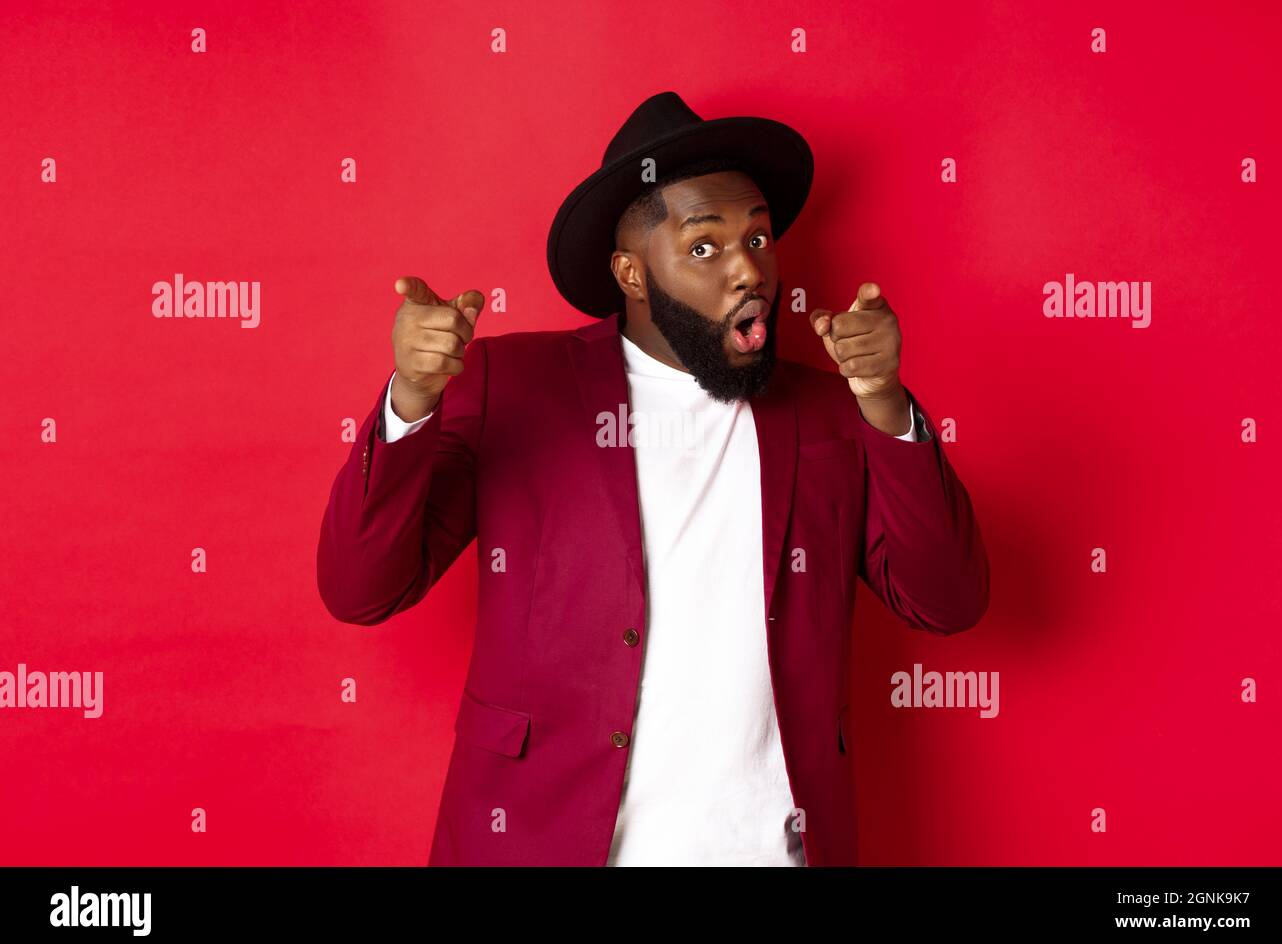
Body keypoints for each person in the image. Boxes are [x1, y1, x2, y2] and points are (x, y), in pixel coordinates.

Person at [316, 91, 990, 866]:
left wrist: (884, 404)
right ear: (633, 273)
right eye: (704, 246)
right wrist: (413, 400)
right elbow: (360, 586)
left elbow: (949, 600)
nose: (749, 269)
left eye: (759, 236)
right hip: (542, 843)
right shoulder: (515, 384)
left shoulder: (835, 410)